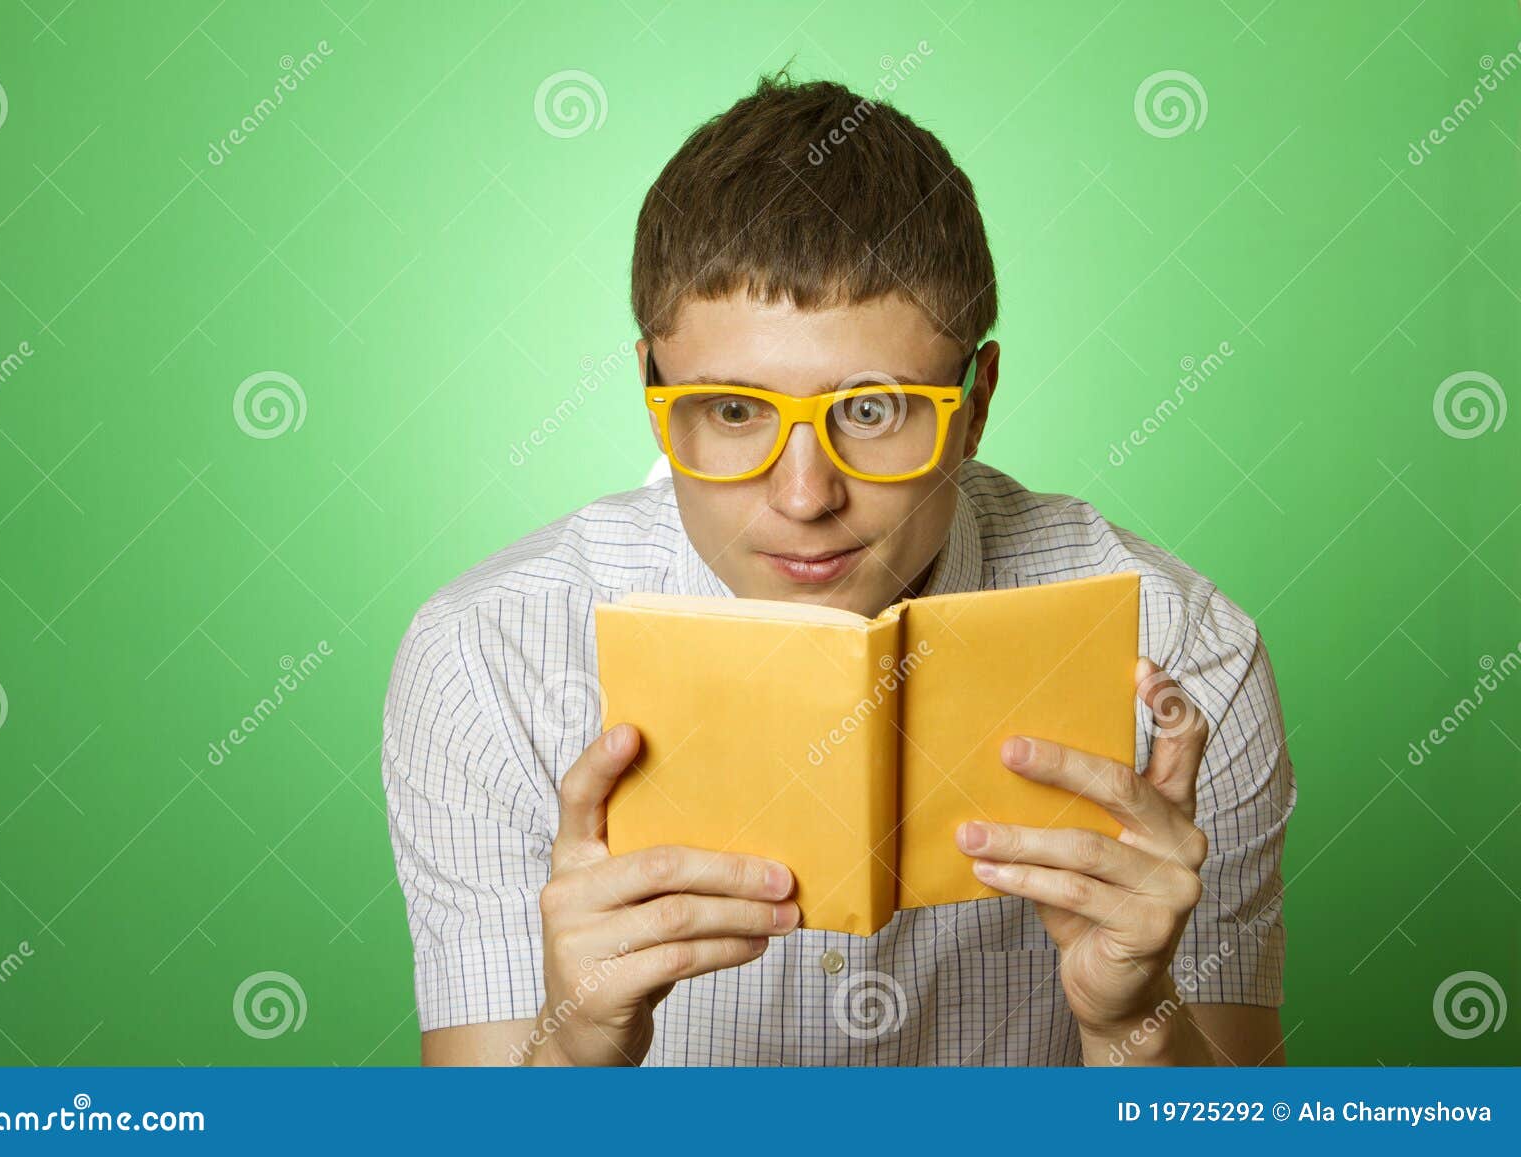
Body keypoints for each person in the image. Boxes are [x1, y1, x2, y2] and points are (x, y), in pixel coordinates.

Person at [382, 73, 1296, 1066]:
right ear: (655, 389)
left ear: (974, 401)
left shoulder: (1180, 652)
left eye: (871, 409)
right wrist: (574, 1047)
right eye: (734, 411)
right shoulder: (488, 657)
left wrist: (1134, 1017)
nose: (806, 495)